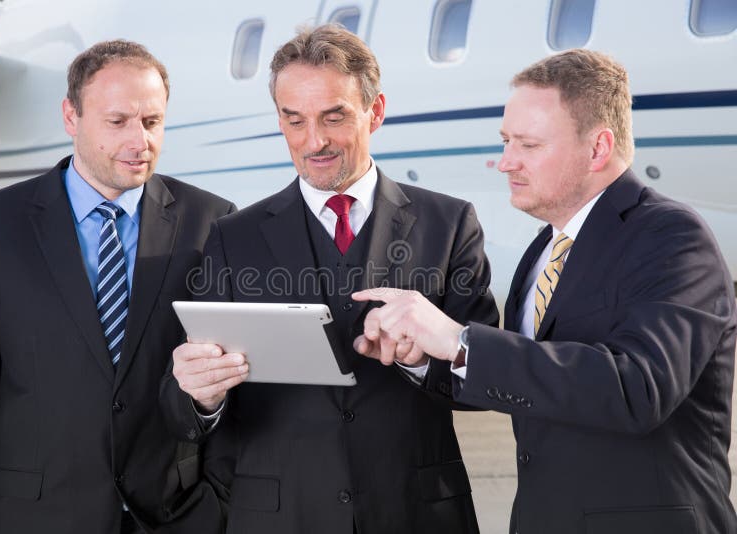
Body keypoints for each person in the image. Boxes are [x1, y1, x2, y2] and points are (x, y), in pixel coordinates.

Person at [352, 48, 737, 533]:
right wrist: (428, 357)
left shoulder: (672, 238)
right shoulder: (544, 248)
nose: (505, 162)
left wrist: (460, 340)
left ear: (598, 148)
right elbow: (528, 385)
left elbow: (638, 389)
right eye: (505, 140)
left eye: (528, 146)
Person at [160, 24, 499, 534]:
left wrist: (425, 359)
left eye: (333, 117)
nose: (313, 141)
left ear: (375, 111)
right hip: (279, 516)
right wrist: (200, 395)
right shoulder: (234, 237)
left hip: (416, 512)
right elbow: (182, 409)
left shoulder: (449, 224)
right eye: (294, 121)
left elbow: (486, 381)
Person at [0, 40, 235, 534]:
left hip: (174, 516)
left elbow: (233, 382)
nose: (140, 142)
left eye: (152, 122)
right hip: (36, 516)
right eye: (117, 122)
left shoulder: (212, 222)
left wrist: (218, 505)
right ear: (71, 117)